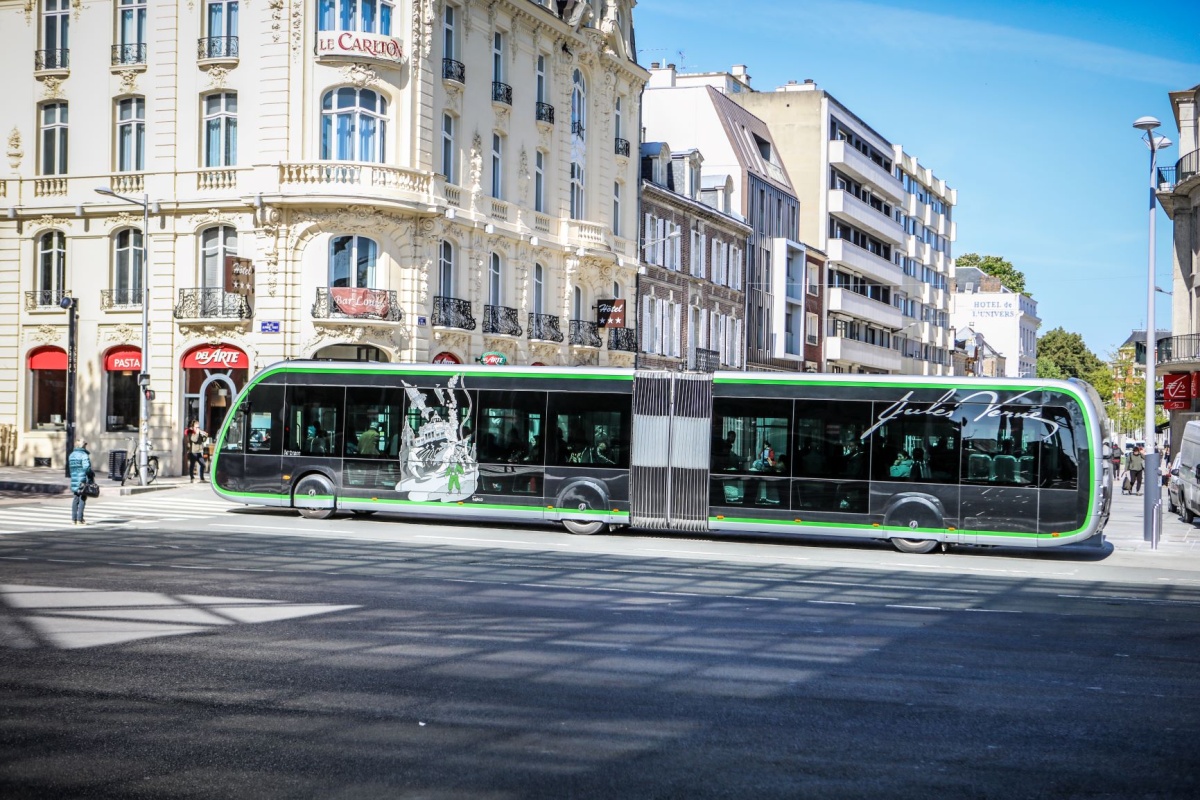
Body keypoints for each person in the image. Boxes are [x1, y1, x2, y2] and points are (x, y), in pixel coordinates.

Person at [68, 440, 94, 525]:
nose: (86, 446)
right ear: (83, 446)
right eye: (85, 445)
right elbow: (87, 468)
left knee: (75, 498)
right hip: (83, 479)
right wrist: (91, 474)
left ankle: (73, 519)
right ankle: (80, 519)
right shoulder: (84, 455)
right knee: (82, 499)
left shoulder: (71, 455)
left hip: (74, 479)